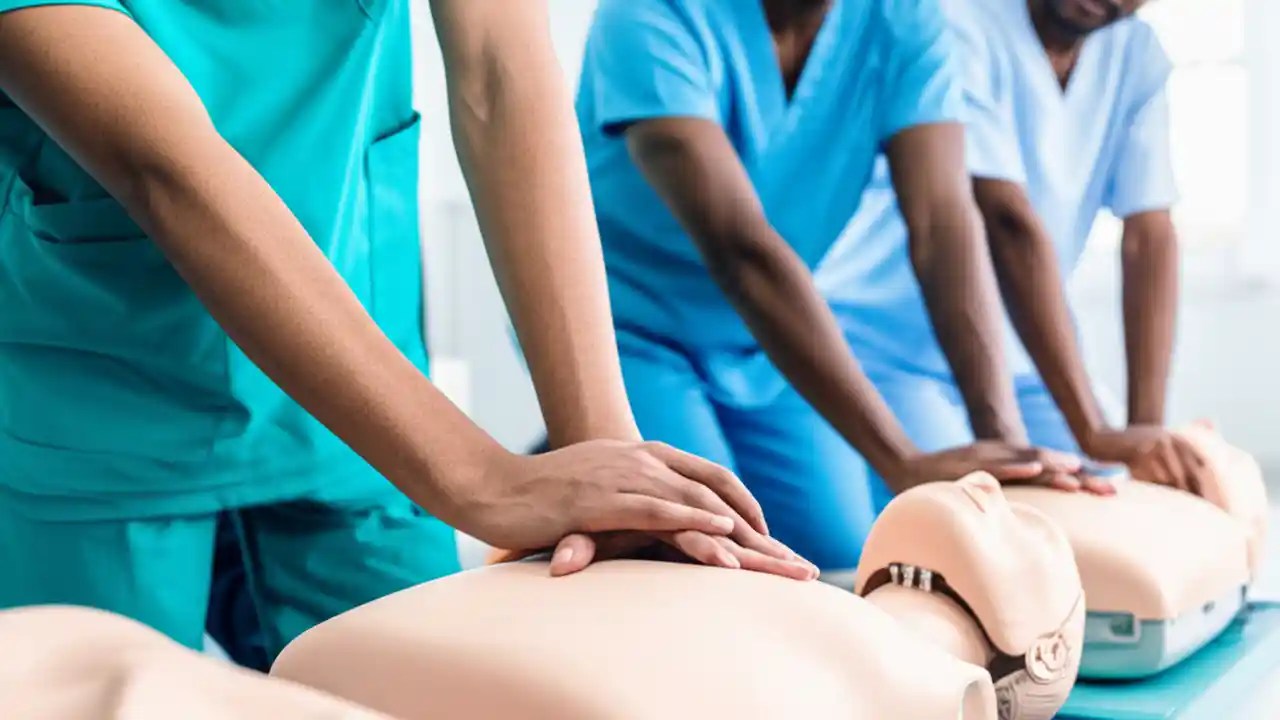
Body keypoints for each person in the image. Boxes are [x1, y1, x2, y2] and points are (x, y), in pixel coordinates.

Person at [0, 0, 812, 661]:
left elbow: (502, 76)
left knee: (441, 678)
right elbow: (163, 165)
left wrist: (602, 456)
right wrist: (485, 482)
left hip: (360, 400)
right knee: (101, 685)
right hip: (92, 400)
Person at [575, 0, 1087, 574]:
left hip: (768, 343)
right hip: (625, 330)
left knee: (841, 554)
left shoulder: (903, 21)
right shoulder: (649, 13)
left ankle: (582, 455)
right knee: (704, 550)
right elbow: (739, 248)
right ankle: (571, 454)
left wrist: (1003, 449)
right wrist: (902, 461)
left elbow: (943, 225)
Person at [830, 0, 1210, 500]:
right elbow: (1006, 222)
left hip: (1024, 359)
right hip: (889, 350)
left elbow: (1149, 236)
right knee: (972, 509)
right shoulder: (960, 24)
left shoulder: (1135, 54)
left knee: (1114, 498)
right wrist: (1092, 430)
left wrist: (1147, 432)